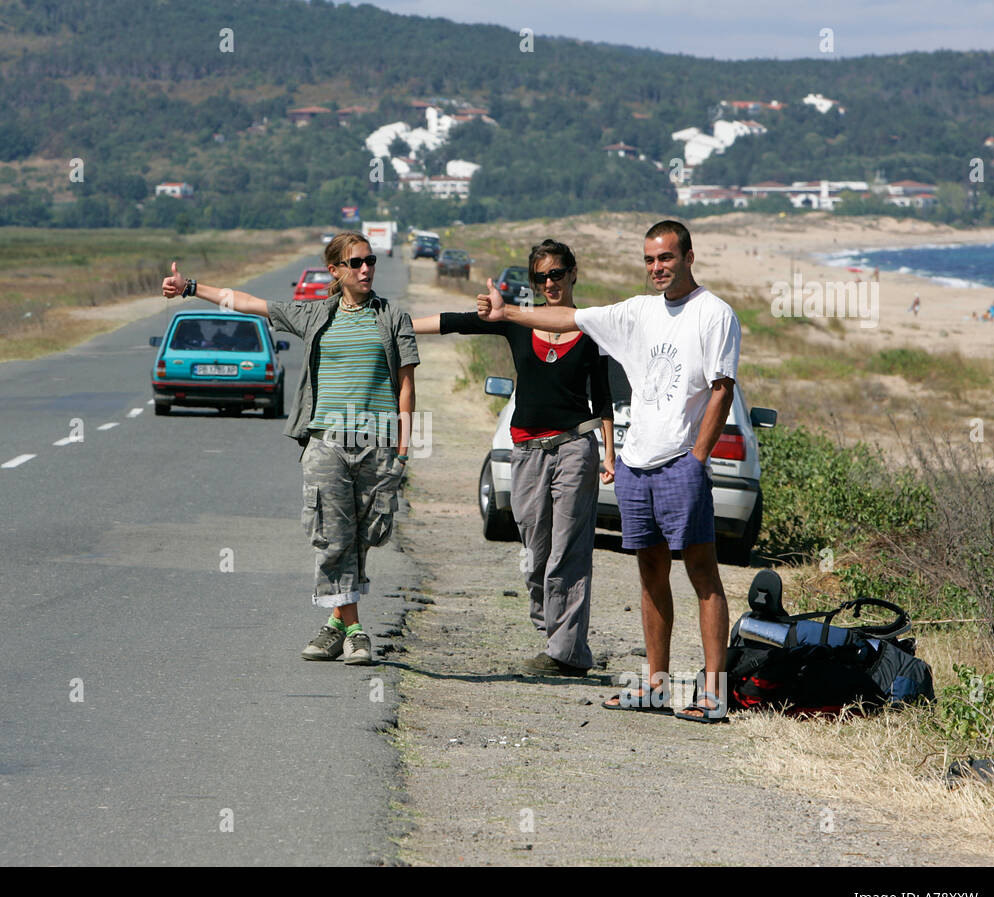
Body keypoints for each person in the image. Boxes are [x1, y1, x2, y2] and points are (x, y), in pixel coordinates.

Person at [478, 220, 739, 723]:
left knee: (703, 574)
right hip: (637, 465)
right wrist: (507, 311)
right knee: (650, 576)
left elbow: (721, 390)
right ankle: (658, 687)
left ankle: (713, 692)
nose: (657, 268)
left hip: (681, 464)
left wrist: (699, 459)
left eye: (666, 257)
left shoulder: (714, 313)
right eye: (649, 260)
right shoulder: (637, 311)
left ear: (688, 256)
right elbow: (572, 316)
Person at [161, 232, 419, 665]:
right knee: (332, 536)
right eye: (355, 263)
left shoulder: (393, 317)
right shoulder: (315, 314)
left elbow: (407, 384)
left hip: (376, 443)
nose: (366, 269)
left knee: (366, 536)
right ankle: (356, 632)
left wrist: (404, 448)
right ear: (335, 270)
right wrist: (191, 288)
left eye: (369, 261)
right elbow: (247, 302)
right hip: (326, 441)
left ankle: (335, 626)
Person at [410, 239, 615, 677]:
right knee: (536, 546)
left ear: (573, 274)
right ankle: (553, 629)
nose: (549, 283)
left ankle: (568, 651)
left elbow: (604, 399)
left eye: (557, 274)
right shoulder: (517, 322)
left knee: (569, 549)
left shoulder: (591, 327)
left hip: (575, 446)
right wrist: (399, 326)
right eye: (540, 277)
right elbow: (457, 323)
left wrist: (610, 454)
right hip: (526, 451)